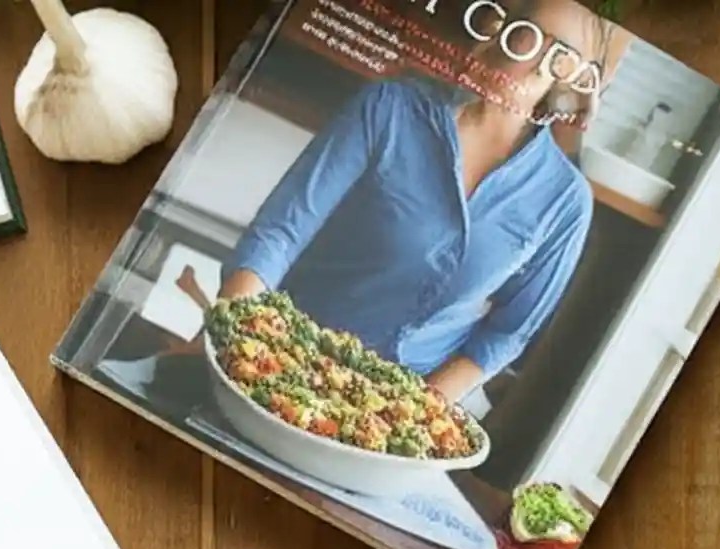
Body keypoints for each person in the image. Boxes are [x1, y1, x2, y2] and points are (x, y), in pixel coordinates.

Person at [218, 0, 610, 403]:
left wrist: (412, 413)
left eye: (556, 54)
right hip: (281, 345)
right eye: (522, 31)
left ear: (571, 80)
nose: (527, 55)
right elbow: (281, 232)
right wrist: (243, 340)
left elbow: (509, 332)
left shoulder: (565, 202)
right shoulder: (390, 107)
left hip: (401, 398)